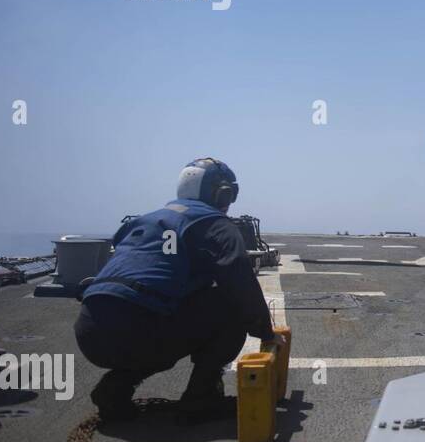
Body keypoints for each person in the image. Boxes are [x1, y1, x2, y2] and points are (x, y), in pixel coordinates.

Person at [74, 158, 276, 421]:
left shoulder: (144, 220)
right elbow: (239, 278)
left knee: (157, 315)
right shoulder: (216, 225)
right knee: (229, 305)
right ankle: (201, 396)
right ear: (223, 193)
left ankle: (116, 387)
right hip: (136, 333)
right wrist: (265, 332)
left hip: (89, 332)